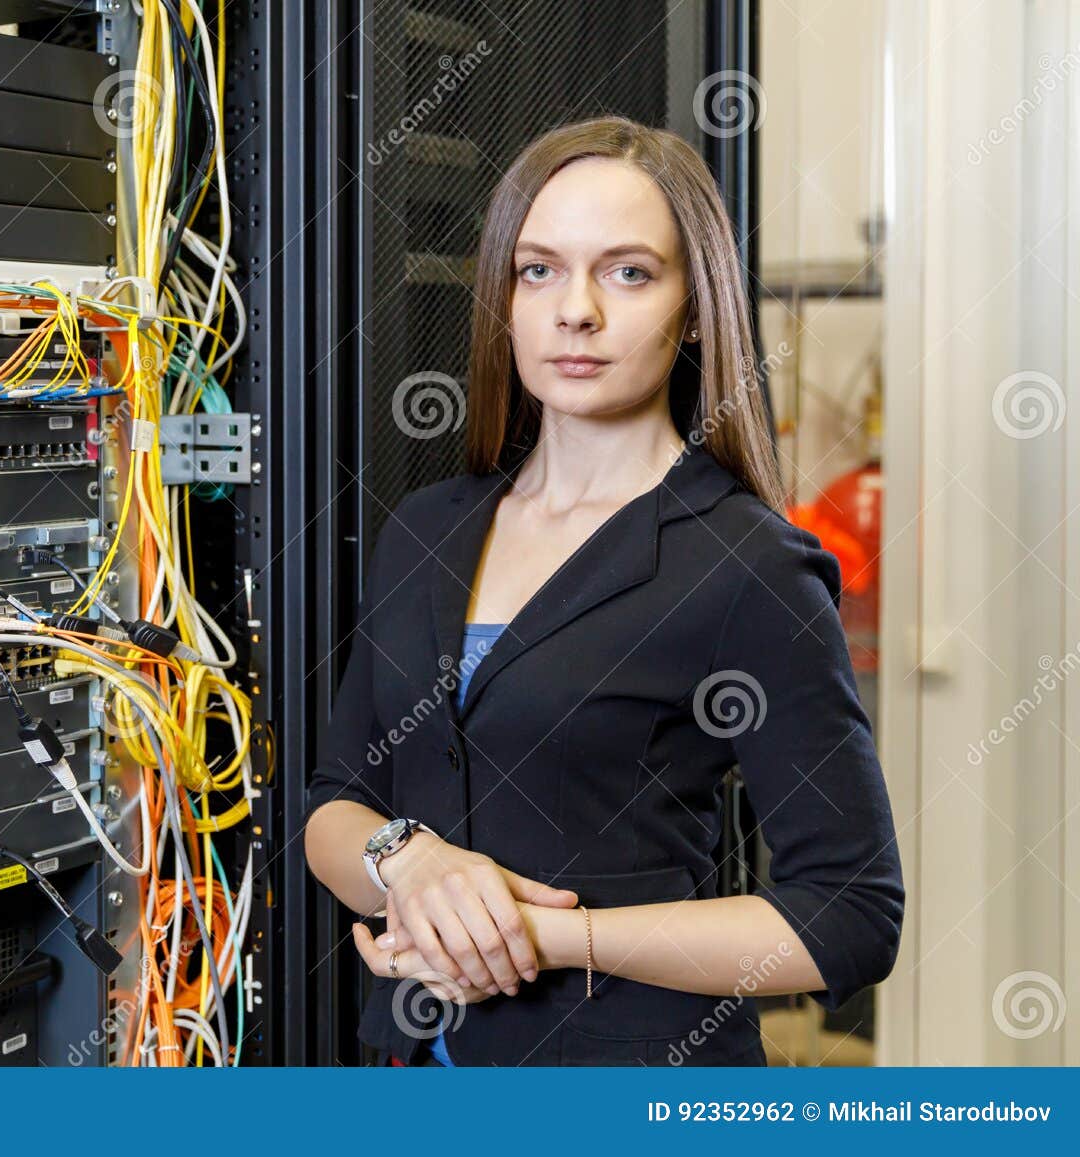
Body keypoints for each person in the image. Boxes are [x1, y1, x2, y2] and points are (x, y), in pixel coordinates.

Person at [302, 116, 904, 1067]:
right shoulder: (424, 528)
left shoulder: (748, 564)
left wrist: (546, 937)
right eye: (537, 269)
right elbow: (338, 801)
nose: (573, 310)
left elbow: (850, 913)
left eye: (627, 272)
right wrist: (407, 860)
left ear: (695, 304)